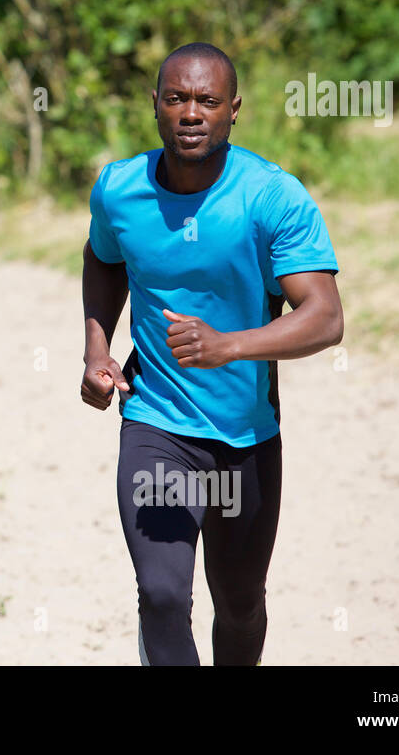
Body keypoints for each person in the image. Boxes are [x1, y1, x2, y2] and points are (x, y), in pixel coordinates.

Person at [81, 42, 343, 665]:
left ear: (233, 111)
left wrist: (228, 346)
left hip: (246, 435)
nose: (191, 113)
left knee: (240, 602)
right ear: (155, 106)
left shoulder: (271, 197)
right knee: (163, 593)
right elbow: (102, 257)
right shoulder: (120, 189)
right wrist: (97, 350)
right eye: (176, 98)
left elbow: (326, 317)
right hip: (156, 424)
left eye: (207, 100)